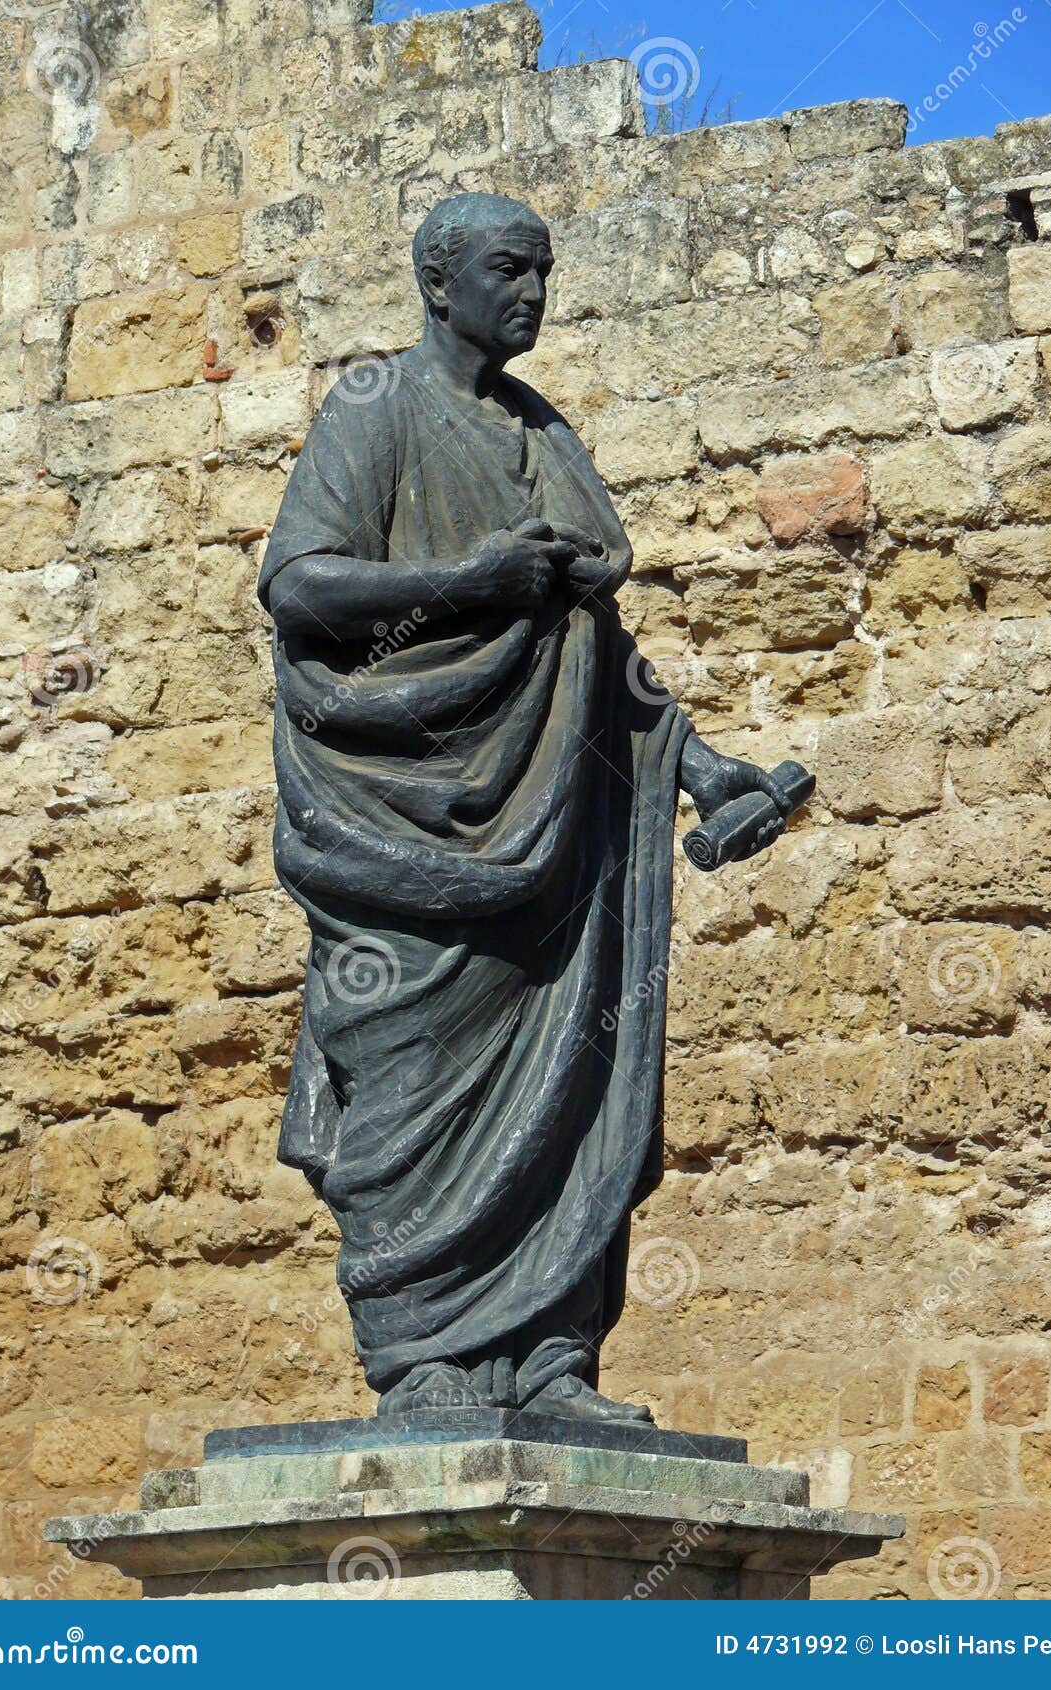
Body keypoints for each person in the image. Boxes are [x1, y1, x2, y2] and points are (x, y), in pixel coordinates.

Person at [258, 192, 789, 1423]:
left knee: (571, 1077)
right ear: (438, 282)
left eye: (546, 271)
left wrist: (704, 766)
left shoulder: (546, 434)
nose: (536, 294)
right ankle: (425, 1359)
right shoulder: (376, 407)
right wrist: (468, 580)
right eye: (511, 270)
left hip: (556, 839)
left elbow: (593, 646)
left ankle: (552, 1356)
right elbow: (301, 592)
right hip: (405, 826)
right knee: (406, 1078)